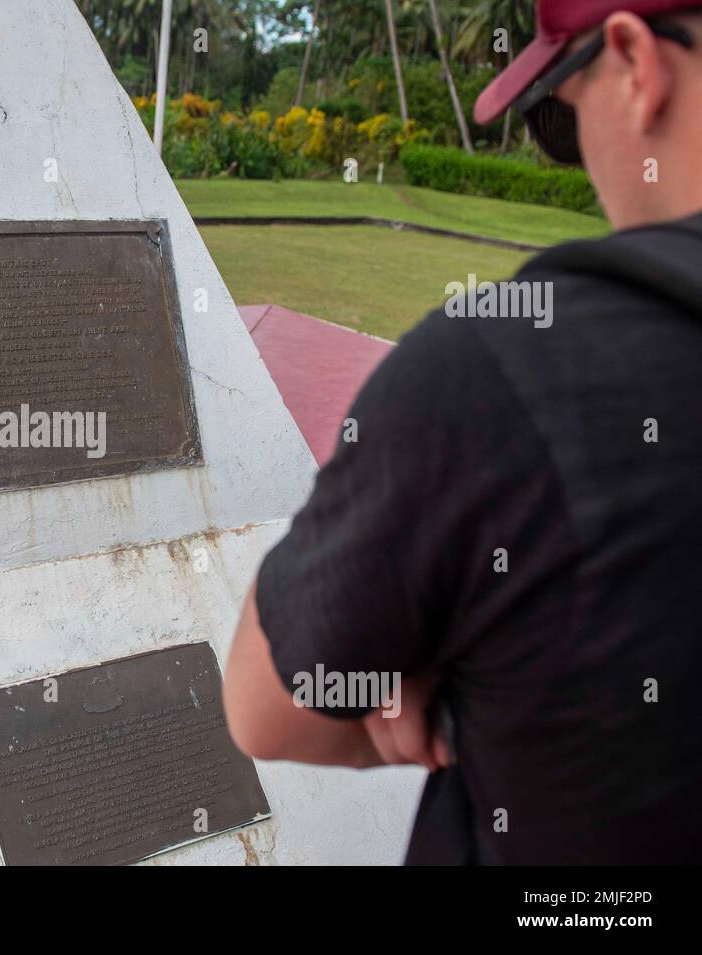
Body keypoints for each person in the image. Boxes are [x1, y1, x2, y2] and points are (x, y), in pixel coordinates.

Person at [222, 0, 702, 863]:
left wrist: (449, 695)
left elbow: (266, 701)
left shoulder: (499, 373)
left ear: (636, 62)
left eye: (565, 113)